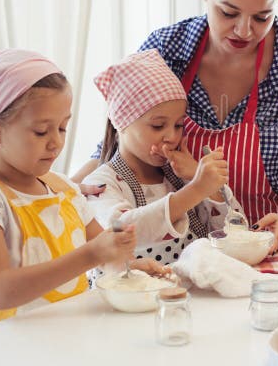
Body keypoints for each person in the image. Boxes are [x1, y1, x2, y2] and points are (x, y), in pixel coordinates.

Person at [72, 0, 278, 252]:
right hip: (189, 251)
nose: (243, 29)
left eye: (261, 17)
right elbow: (119, 139)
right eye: (229, 12)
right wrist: (62, 191)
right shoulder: (166, 50)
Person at [0, 49, 166, 323]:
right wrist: (92, 254)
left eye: (62, 128)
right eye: (41, 131)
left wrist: (132, 267)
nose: (56, 142)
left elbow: (105, 255)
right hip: (10, 351)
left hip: (71, 335)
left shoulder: (63, 188)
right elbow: (2, 291)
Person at [83, 50, 234, 264]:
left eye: (179, 125)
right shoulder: (100, 185)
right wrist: (197, 189)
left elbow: (233, 232)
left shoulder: (181, 177)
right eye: (158, 125)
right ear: (121, 123)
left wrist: (207, 186)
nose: (172, 137)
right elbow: (123, 229)